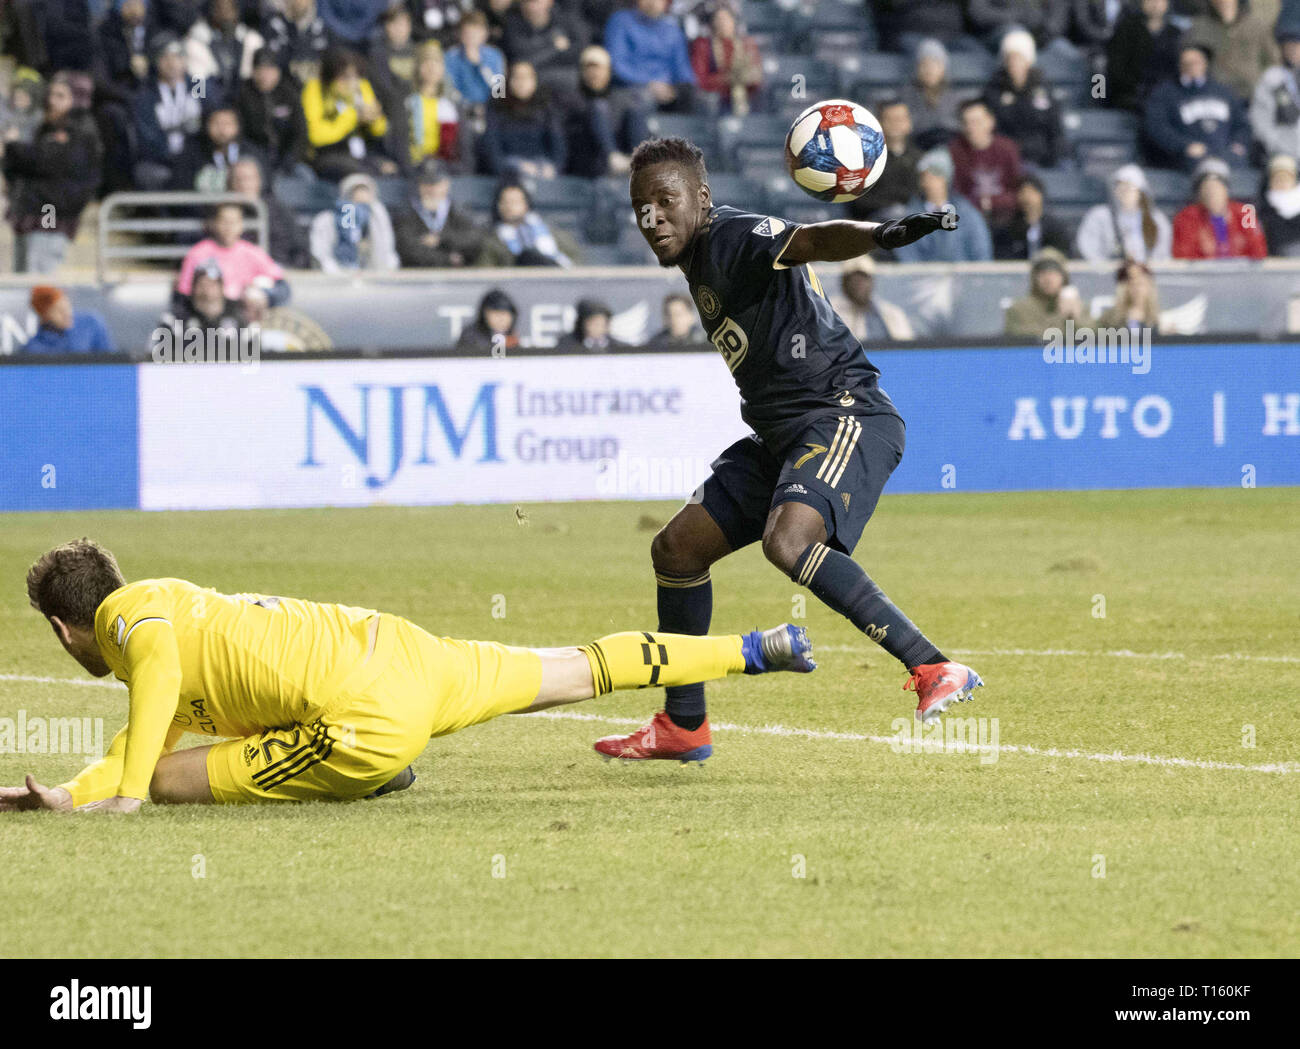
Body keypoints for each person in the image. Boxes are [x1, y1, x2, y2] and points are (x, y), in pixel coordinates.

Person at [592, 136, 984, 764]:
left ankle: (935, 666)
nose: (652, 218)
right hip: (781, 435)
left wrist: (881, 234)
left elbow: (810, 240)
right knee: (677, 549)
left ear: (702, 197)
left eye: (666, 202)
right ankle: (684, 725)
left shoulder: (731, 235)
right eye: (642, 207)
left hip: (844, 413)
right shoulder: (698, 258)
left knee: (789, 542)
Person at [3, 538, 814, 811]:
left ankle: (364, 773)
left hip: (363, 720)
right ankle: (751, 648)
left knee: (167, 781)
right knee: (579, 667)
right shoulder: (177, 615)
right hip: (404, 651)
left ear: (61, 627)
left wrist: (125, 796)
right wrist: (72, 793)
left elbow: (148, 702)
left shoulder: (129, 615)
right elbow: (146, 724)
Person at [3, 72, 103, 274]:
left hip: (51, 211)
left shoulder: (79, 130)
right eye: (51, 94)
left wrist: (13, 146)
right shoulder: (49, 126)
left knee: (40, 273)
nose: (52, 101)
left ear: (76, 99)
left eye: (60, 96)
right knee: (24, 275)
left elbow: (46, 161)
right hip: (32, 210)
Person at [1144, 43, 1250, 170]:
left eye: (1197, 62)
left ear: (1205, 64)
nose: (1193, 66)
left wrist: (1239, 143)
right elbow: (1157, 127)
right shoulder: (1165, 93)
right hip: (1185, 160)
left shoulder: (1224, 91)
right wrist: (1184, 145)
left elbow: (1242, 124)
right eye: (1187, 63)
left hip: (1226, 155)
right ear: (1180, 65)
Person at [301, 46, 399, 179]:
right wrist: (353, 117)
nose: (352, 82)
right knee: (359, 174)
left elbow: (380, 130)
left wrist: (374, 118)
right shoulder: (315, 89)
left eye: (356, 76)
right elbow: (316, 136)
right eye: (345, 77)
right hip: (327, 154)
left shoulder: (361, 86)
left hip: (360, 153)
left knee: (390, 170)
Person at [132, 35, 214, 189]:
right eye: (164, 58)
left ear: (184, 60)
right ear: (156, 62)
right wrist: (172, 157)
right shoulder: (146, 94)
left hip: (197, 155)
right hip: (162, 160)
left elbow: (210, 115)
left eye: (177, 57)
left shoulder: (197, 85)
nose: (171, 63)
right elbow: (147, 136)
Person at [176, 202, 290, 310]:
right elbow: (183, 293)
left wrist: (263, 294)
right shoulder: (198, 254)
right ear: (214, 224)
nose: (229, 227)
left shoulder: (252, 252)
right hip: (209, 315)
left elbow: (281, 286)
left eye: (234, 222)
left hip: (244, 314)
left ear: (241, 225)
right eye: (224, 221)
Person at [393, 158, 503, 266]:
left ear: (446, 184)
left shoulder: (459, 211)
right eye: (426, 184)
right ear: (419, 186)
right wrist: (448, 259)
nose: (432, 189)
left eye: (436, 184)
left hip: (460, 275)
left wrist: (441, 239)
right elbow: (407, 248)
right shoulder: (405, 214)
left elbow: (475, 239)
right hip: (417, 274)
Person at [981, 29, 1063, 170]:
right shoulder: (993, 89)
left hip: (1041, 157)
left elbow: (1055, 128)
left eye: (1019, 58)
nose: (1014, 63)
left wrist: (1053, 158)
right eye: (1010, 58)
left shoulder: (1044, 88)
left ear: (1028, 60)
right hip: (1005, 158)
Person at [563, 44, 649, 177]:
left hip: (621, 156)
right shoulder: (571, 99)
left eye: (599, 69)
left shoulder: (619, 99)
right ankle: (613, 157)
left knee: (635, 108)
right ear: (582, 72)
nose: (594, 74)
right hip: (587, 158)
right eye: (589, 69)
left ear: (608, 71)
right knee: (597, 107)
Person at [894, 148, 993, 263]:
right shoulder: (910, 218)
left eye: (935, 177)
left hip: (963, 274)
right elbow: (908, 259)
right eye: (924, 177)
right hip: (924, 275)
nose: (928, 183)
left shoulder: (968, 214)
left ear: (946, 179)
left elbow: (982, 255)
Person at [604, 0, 696, 113]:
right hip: (630, 89)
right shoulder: (621, 22)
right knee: (644, 98)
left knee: (703, 101)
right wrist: (649, 84)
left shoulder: (673, 31)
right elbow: (617, 66)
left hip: (667, 90)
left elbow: (683, 70)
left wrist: (677, 89)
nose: (652, 2)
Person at [948, 98, 1022, 235]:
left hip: (1006, 217)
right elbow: (956, 192)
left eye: (976, 122)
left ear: (990, 122)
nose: (971, 128)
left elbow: (1017, 188)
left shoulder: (1007, 148)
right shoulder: (956, 151)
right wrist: (979, 204)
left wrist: (990, 202)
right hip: (968, 217)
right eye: (966, 123)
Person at [1075, 164, 1173, 264]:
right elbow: (1088, 247)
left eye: (1129, 189)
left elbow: (1162, 253)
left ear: (1141, 192)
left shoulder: (1156, 219)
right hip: (1107, 270)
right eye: (1120, 188)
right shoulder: (1099, 216)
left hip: (1146, 271)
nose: (1124, 193)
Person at [1172, 157, 1269, 258]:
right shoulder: (1186, 216)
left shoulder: (1246, 213)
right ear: (1199, 193)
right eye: (1207, 188)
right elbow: (1184, 255)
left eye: (1217, 187)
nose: (1212, 193)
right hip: (1204, 268)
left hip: (1240, 267)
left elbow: (1259, 251)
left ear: (1226, 190)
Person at [1185, 0, 1280, 103]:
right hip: (1216, 98)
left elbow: (1272, 61)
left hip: (1253, 96)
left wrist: (1262, 84)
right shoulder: (1200, 28)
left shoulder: (1256, 26)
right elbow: (1191, 62)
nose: (1224, 2)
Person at [229, 156, 312, 269]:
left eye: (249, 179)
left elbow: (300, 248)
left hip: (279, 270)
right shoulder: (221, 213)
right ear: (230, 183)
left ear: (259, 181)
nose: (244, 184)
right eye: (238, 179)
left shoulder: (278, 209)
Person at [236, 46, 309, 173]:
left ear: (278, 71)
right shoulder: (243, 93)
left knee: (305, 175)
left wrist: (289, 160)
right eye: (259, 69)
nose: (264, 75)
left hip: (286, 157)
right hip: (255, 157)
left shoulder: (289, 92)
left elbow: (300, 133)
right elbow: (240, 134)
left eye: (269, 70)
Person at [309, 171, 400, 271]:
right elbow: (320, 254)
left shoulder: (377, 216)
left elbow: (387, 249)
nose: (362, 194)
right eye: (357, 190)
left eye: (365, 190)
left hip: (371, 272)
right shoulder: (326, 220)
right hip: (337, 272)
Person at [847, 98, 919, 220]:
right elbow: (857, 200)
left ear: (909, 123)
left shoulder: (920, 158)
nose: (895, 124)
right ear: (879, 123)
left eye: (900, 119)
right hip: (874, 221)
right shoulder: (864, 159)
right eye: (889, 120)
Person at [1105, 0, 1183, 112]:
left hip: (1165, 93)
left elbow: (1176, 68)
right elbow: (1116, 67)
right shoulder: (1126, 29)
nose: (1155, 4)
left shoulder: (1175, 33)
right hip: (1131, 94)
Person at [688, 2, 762, 116]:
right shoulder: (703, 45)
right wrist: (726, 79)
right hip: (715, 99)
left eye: (726, 20)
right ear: (712, 24)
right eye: (718, 20)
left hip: (745, 97)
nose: (722, 24)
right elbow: (699, 80)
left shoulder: (747, 44)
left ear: (734, 22)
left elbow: (756, 77)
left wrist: (748, 77)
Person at [501, 0, 589, 95]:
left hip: (564, 75)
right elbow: (521, 60)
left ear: (549, 2)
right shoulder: (512, 24)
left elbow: (577, 52)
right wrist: (554, 49)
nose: (531, 6)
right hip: (528, 80)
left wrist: (539, 52)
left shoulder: (566, 21)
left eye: (536, 1)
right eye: (526, 2)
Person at [1004, 249, 1090, 337]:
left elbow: (1091, 336)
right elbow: (1024, 336)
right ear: (1034, 277)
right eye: (1043, 273)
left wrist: (1074, 318)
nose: (1048, 279)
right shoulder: (1019, 310)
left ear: (1064, 277)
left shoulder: (1078, 307)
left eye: (1054, 273)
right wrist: (1061, 317)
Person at [184, 0, 264, 96]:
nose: (225, 15)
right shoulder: (195, 42)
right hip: (211, 98)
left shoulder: (251, 39)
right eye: (219, 9)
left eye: (229, 9)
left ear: (237, 11)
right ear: (211, 11)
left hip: (245, 98)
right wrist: (208, 103)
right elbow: (197, 89)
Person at [897, 37, 963, 151]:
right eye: (924, 64)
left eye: (935, 64)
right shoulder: (904, 96)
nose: (929, 70)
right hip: (917, 147)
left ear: (944, 68)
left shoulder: (955, 97)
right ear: (917, 68)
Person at [491, 179, 577, 266]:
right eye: (505, 202)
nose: (509, 207)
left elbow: (573, 259)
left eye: (515, 202)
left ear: (526, 204)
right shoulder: (491, 239)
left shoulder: (553, 233)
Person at [405, 40, 462, 168]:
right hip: (412, 165)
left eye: (436, 63)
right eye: (426, 62)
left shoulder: (452, 104)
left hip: (443, 167)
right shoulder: (407, 101)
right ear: (417, 67)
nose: (431, 68)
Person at [830, 255, 914, 342]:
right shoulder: (830, 312)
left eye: (864, 278)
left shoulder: (890, 314)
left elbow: (905, 344)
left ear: (871, 281)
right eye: (853, 279)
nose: (858, 284)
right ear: (844, 282)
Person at [994, 174, 1073, 260]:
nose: (1027, 197)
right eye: (1023, 192)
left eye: (1031, 192)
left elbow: (1065, 253)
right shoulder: (1009, 229)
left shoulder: (1056, 228)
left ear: (1041, 195)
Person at [1251, 25, 1300, 162]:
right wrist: (1277, 145)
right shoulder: (1272, 77)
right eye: (1288, 46)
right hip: (1282, 151)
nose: (1293, 51)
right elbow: (1261, 119)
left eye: (1297, 46)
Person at [162, 260, 246, 335]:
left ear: (221, 288)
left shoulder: (237, 314)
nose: (207, 291)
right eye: (201, 285)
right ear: (193, 288)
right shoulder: (177, 318)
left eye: (212, 285)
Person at [21, 286, 113, 354]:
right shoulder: (34, 349)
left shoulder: (91, 323)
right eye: (59, 311)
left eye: (67, 306)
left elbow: (110, 362)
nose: (67, 314)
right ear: (44, 316)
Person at [444, 9, 506, 108]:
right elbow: (449, 88)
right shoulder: (450, 57)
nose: (471, 38)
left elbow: (499, 91)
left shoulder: (495, 55)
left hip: (490, 107)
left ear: (485, 34)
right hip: (460, 108)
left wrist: (481, 65)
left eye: (475, 34)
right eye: (467, 34)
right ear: (460, 34)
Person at [262, 0, 332, 87]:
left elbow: (325, 59)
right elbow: (272, 58)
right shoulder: (274, 23)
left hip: (314, 84)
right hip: (282, 85)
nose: (298, 2)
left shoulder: (321, 25)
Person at [1094, 259, 1162, 332]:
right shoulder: (1110, 319)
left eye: (1140, 283)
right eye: (1131, 283)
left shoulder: (1159, 320)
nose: (1136, 288)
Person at [1258, 152, 1300, 256]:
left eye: (1286, 178)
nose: (1282, 182)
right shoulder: (1263, 208)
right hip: (1274, 260)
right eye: (1278, 178)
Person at [456, 287, 521, 352]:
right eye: (496, 314)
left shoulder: (512, 336)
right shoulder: (471, 337)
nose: (501, 320)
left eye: (505, 314)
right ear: (485, 315)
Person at [554, 298, 631, 352]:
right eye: (593, 324)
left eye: (600, 324)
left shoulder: (620, 347)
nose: (597, 328)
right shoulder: (567, 345)